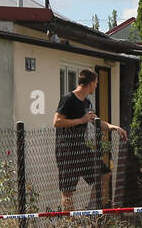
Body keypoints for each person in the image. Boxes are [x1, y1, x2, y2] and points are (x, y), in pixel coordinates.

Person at [54, 68, 127, 211]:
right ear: (90, 83)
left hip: (81, 148)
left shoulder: (87, 102)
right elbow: (57, 122)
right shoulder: (68, 99)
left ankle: (91, 210)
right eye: (96, 83)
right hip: (66, 151)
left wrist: (114, 127)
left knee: (105, 174)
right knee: (68, 192)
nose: (97, 86)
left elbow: (96, 121)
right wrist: (80, 120)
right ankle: (70, 227)